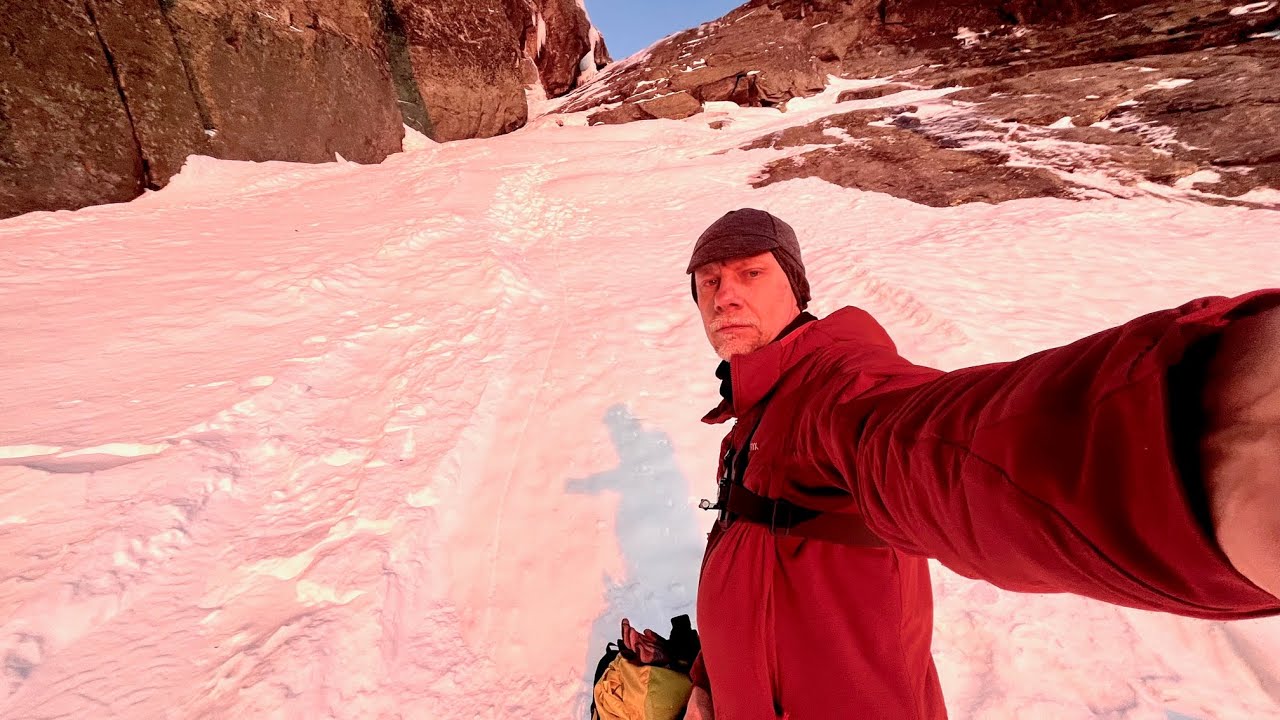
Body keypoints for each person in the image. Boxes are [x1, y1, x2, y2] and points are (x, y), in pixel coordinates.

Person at [679, 208, 1280, 720]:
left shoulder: (831, 387)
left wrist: (1205, 434)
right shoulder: (755, 415)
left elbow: (925, 441)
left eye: (751, 273)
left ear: (797, 289)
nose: (725, 294)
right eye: (709, 281)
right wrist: (709, 674)